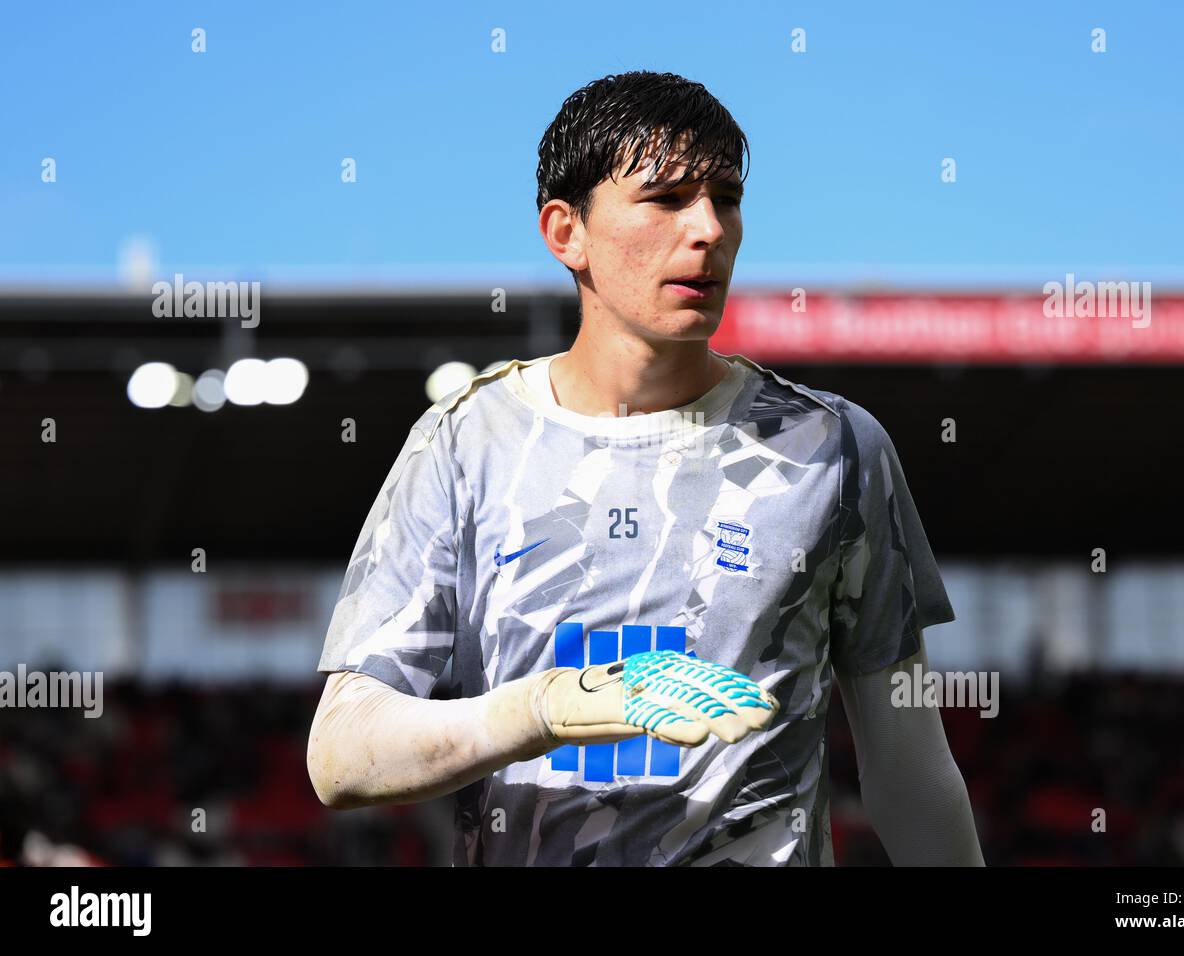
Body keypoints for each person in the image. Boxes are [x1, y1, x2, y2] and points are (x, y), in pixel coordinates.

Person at [308, 70, 984, 866]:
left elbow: (909, 767)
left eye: (725, 198)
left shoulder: (835, 447)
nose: (707, 230)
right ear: (567, 234)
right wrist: (551, 706)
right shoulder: (464, 443)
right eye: (665, 198)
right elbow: (340, 753)